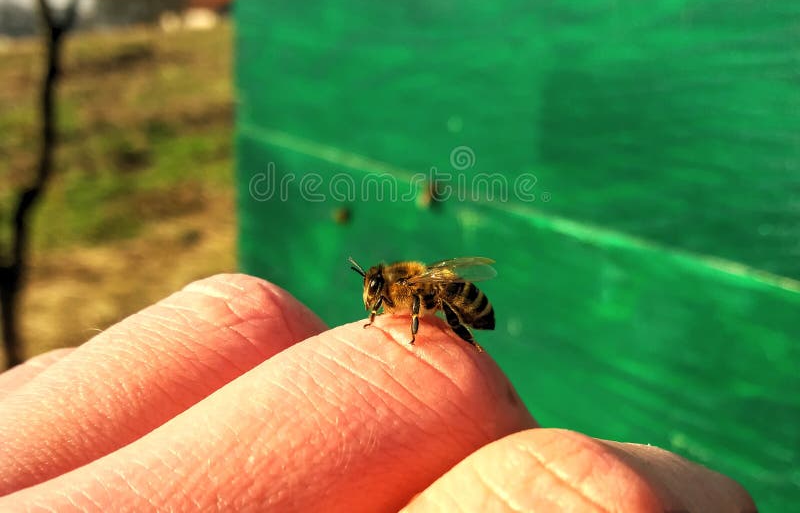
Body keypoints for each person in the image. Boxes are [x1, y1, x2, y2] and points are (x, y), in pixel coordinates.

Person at [0, 274, 756, 511]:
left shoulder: (416, 297)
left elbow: (427, 304)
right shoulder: (403, 293)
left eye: (377, 296)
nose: (375, 303)